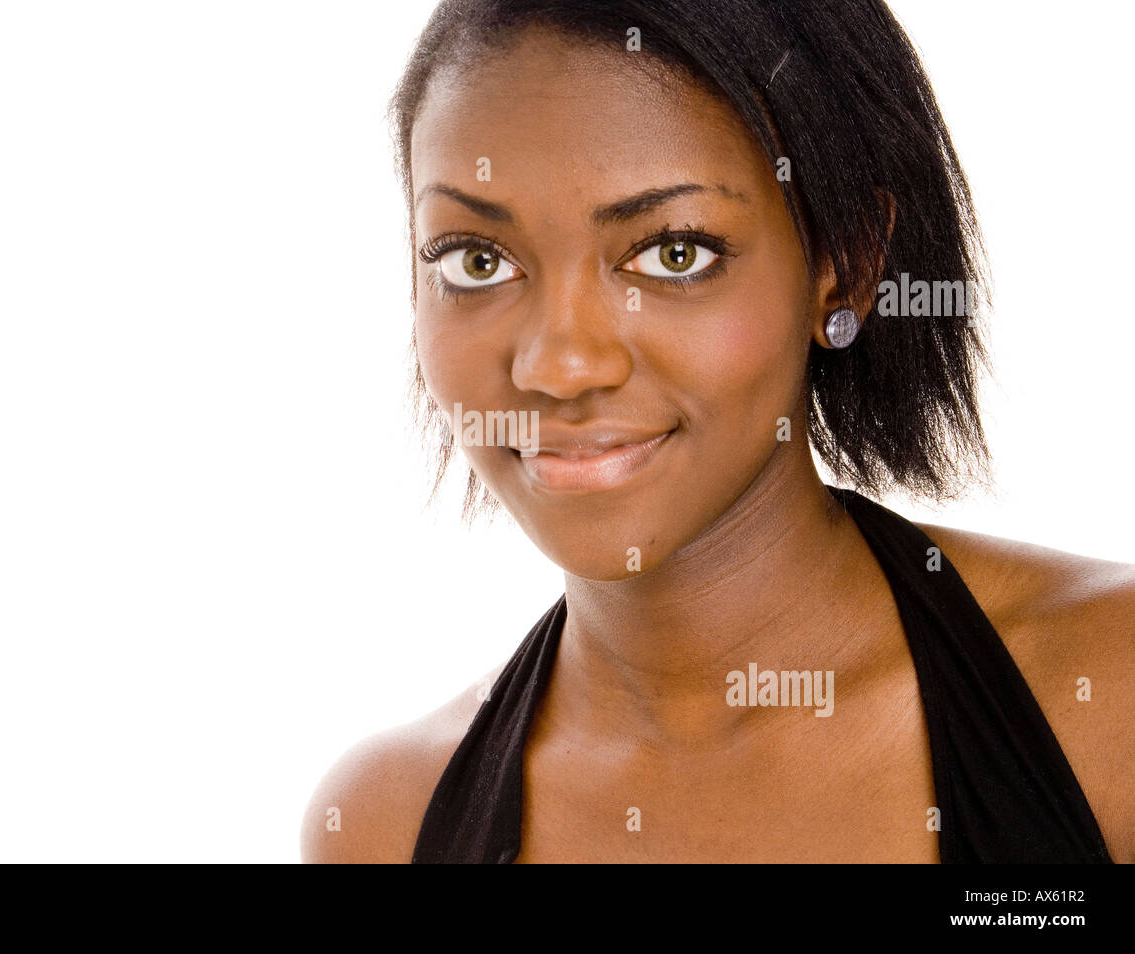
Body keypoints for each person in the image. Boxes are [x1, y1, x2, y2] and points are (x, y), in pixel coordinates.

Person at [301, 0, 1134, 863]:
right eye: (477, 261)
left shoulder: (1111, 698)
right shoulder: (384, 824)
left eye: (673, 253)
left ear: (844, 269)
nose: (561, 365)